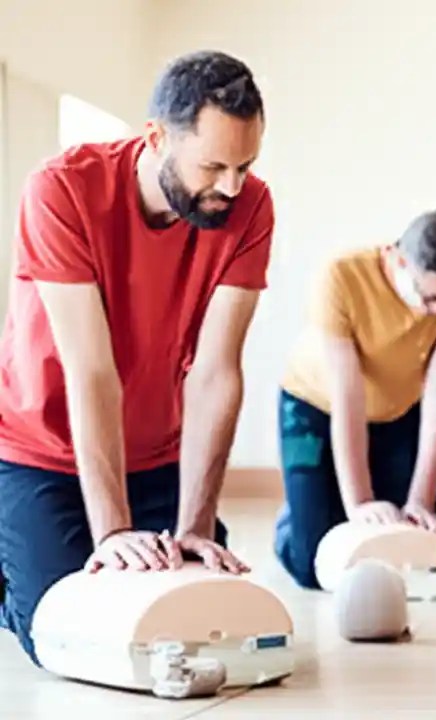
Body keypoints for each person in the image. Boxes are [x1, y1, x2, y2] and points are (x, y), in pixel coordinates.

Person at [0, 50, 271, 665]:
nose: (232, 187)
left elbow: (216, 370)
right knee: (66, 630)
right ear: (155, 138)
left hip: (154, 453)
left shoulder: (249, 205)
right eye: (214, 166)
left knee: (200, 614)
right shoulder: (60, 189)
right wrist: (115, 533)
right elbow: (91, 369)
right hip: (38, 451)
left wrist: (197, 524)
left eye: (245, 165)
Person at [273, 210, 436, 590]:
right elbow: (348, 393)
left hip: (397, 412)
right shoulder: (342, 275)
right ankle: (295, 518)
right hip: (315, 408)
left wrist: (421, 501)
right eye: (429, 298)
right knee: (315, 566)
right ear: (398, 258)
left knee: (412, 543)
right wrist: (359, 503)